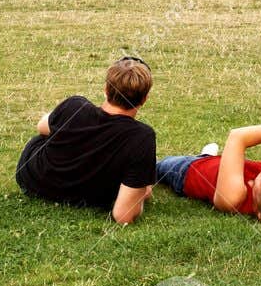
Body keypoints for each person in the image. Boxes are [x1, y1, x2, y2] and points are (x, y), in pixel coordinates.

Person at [15, 58, 157, 225]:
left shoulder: (75, 106)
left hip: (33, 180)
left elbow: (42, 127)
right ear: (144, 99)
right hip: (87, 194)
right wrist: (143, 191)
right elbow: (123, 215)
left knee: (53, 131)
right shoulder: (141, 137)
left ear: (106, 89)